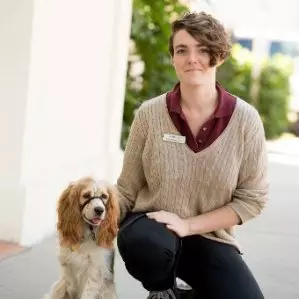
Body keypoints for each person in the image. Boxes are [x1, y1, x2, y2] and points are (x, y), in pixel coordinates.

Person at [116, 11, 268, 299]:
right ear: (173, 57)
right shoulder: (150, 114)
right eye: (182, 50)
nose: (191, 58)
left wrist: (187, 226)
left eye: (202, 49)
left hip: (206, 236)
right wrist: (92, 230)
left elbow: (252, 200)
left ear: (219, 55)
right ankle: (161, 291)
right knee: (146, 243)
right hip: (152, 229)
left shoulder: (246, 121)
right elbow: (126, 189)